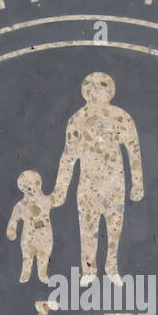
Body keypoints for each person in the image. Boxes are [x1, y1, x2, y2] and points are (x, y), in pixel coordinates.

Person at [50, 72, 144, 281]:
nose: (95, 93)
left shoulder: (120, 117)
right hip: (87, 184)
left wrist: (137, 183)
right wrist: (60, 190)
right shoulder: (78, 120)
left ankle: (112, 267)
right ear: (85, 92)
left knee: (114, 227)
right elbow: (68, 157)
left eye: (101, 88)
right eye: (91, 88)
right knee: (88, 227)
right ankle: (89, 270)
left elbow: (133, 151)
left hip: (114, 184)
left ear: (110, 91)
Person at [6, 169, 54, 284]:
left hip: (45, 236)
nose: (30, 191)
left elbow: (57, 200)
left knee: (44, 255)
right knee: (27, 255)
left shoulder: (45, 201)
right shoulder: (21, 205)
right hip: (28, 236)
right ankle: (25, 272)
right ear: (22, 190)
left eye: (32, 187)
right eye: (26, 189)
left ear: (39, 185)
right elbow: (14, 217)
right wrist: (12, 228)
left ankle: (42, 274)